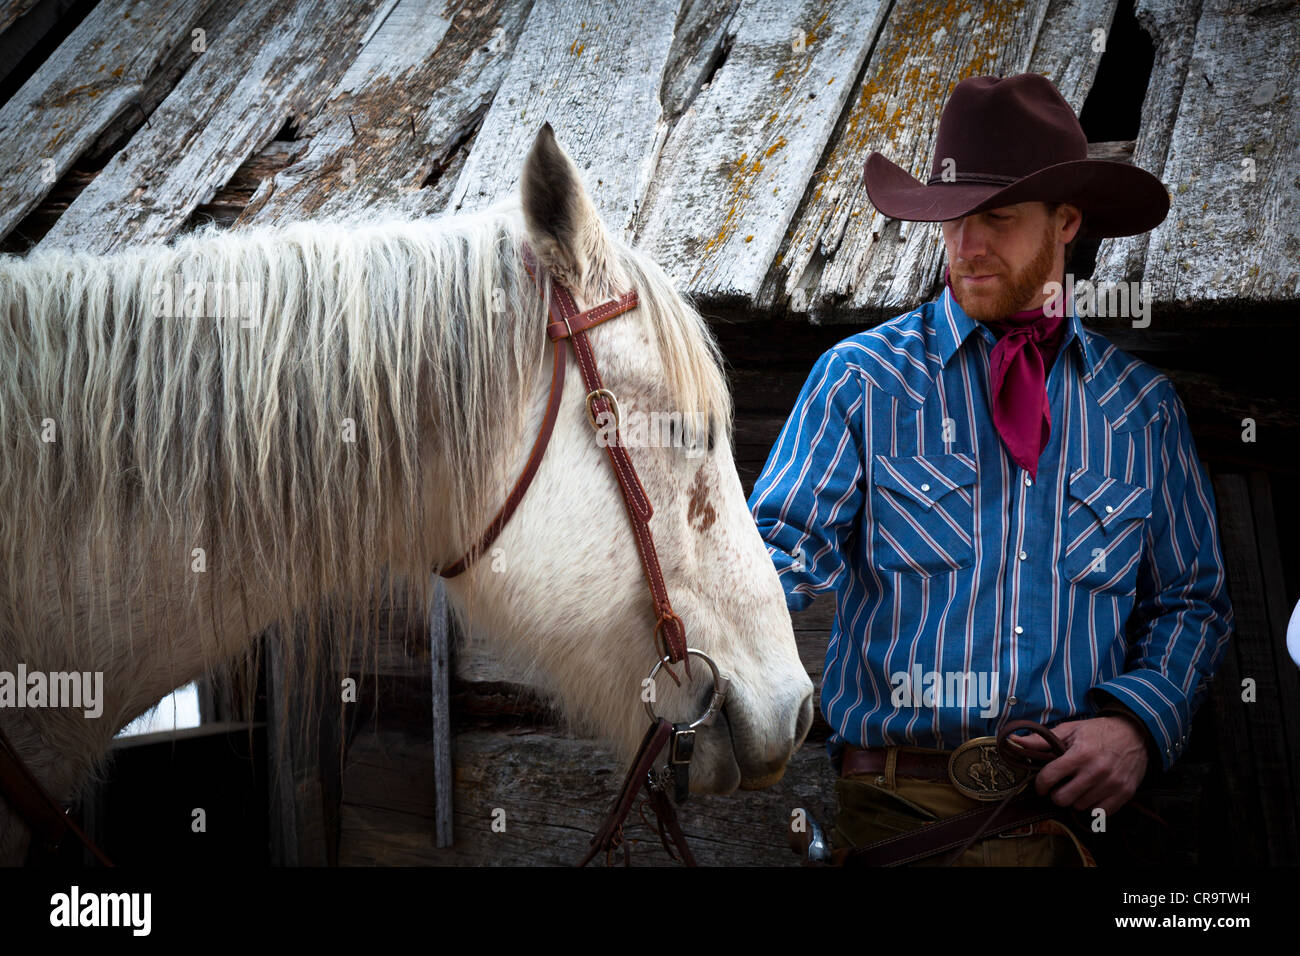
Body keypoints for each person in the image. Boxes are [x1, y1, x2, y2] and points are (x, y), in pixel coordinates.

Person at [748, 73, 1234, 866]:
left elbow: (1193, 600)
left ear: (1067, 222)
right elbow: (776, 549)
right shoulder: (861, 381)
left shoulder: (1142, 410)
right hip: (900, 813)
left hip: (1072, 822)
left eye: (997, 220)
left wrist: (1138, 722)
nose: (967, 246)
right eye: (952, 221)